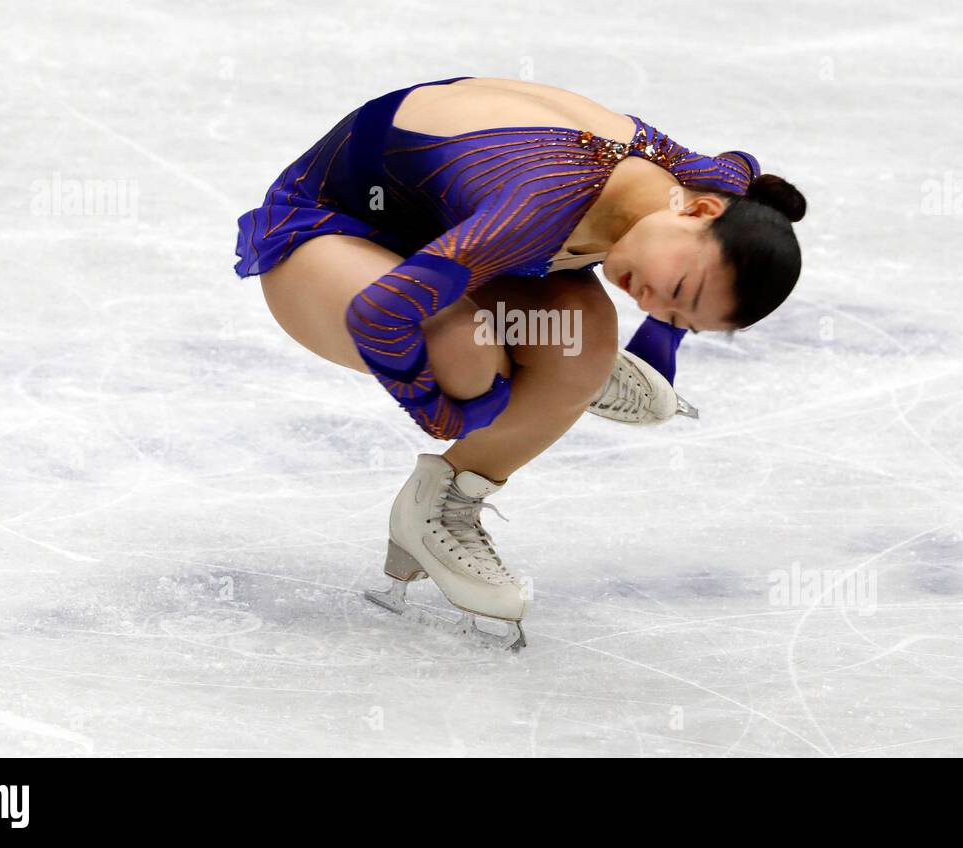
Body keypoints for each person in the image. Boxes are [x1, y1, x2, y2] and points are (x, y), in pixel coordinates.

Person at [234, 76, 805, 648]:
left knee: (583, 339)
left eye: (679, 315)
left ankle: (443, 505)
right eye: (675, 286)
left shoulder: (699, 192)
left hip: (452, 241)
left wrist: (659, 343)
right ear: (698, 211)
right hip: (331, 232)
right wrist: (441, 410)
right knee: (465, 354)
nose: (650, 305)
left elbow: (738, 182)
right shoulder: (538, 204)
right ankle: (535, 373)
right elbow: (382, 314)